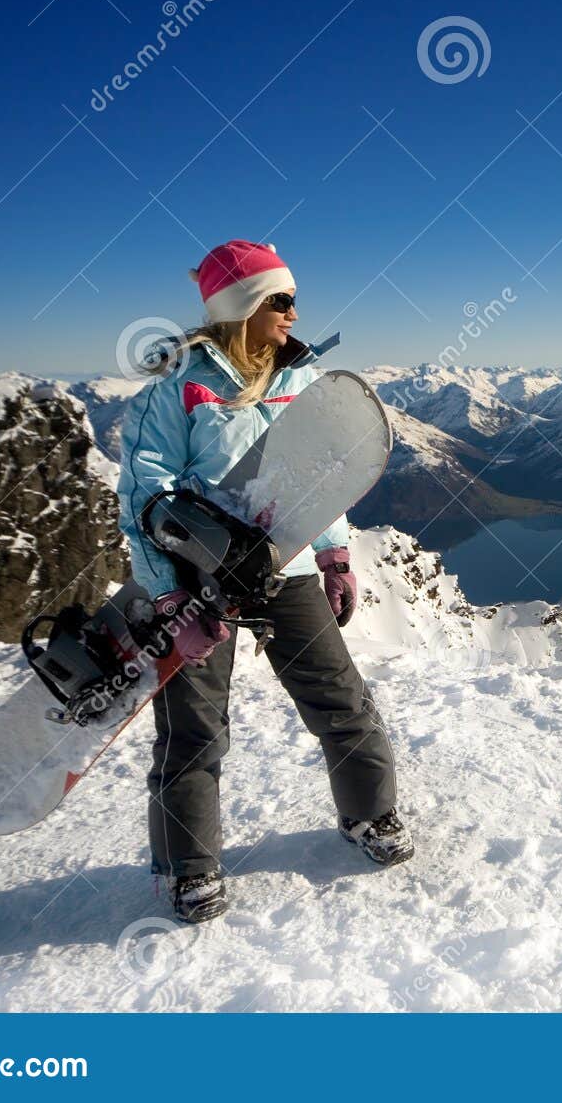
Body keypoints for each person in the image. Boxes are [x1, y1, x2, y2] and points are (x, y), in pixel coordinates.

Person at [116, 238, 412, 925]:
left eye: (294, 299)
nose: (293, 312)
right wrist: (167, 593)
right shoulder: (178, 385)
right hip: (198, 579)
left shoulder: (301, 376)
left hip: (288, 567)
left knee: (341, 700)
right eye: (280, 299)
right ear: (241, 304)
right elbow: (142, 493)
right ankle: (189, 866)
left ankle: (368, 814)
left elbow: (319, 477)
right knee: (193, 730)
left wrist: (334, 554)